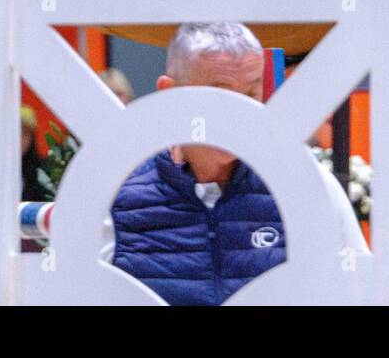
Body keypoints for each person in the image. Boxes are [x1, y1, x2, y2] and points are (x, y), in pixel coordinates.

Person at [108, 22, 364, 305]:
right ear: (170, 93)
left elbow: (360, 292)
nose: (239, 114)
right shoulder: (115, 196)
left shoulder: (307, 183)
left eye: (251, 96)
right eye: (221, 95)